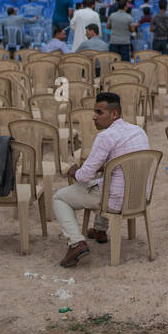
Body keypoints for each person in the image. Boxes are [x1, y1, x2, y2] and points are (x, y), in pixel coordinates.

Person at [53, 91, 151, 267]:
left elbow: (83, 176)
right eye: (94, 111)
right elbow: (123, 164)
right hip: (140, 197)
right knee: (103, 178)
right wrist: (101, 167)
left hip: (116, 201)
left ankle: (76, 243)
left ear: (114, 114)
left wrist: (74, 171)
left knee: (60, 197)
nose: (94, 117)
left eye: (99, 112)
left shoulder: (105, 137)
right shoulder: (138, 131)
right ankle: (99, 230)